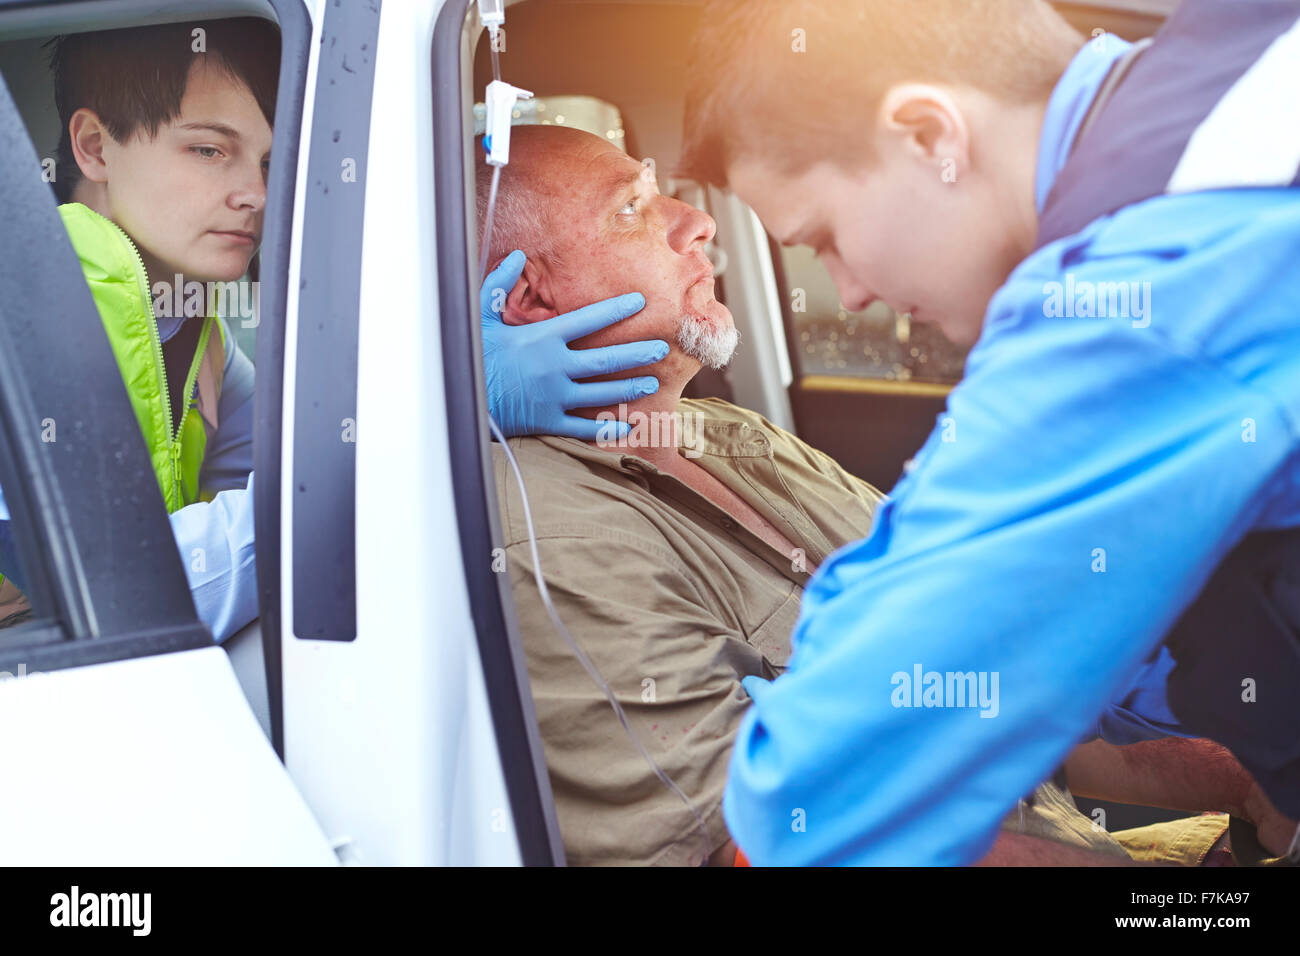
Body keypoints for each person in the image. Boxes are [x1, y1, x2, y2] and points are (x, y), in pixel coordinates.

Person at [477, 123, 1282, 867]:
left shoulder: (730, 434)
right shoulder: (552, 537)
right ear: (528, 299)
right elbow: (760, 853)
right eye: (632, 209)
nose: (696, 224)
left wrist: (1249, 778)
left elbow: (994, 695)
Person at [661, 0, 1300, 864]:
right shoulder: (1242, 58)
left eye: (826, 239)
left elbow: (821, 795)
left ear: (929, 135)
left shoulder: (1132, 298)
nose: (845, 293)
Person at [0, 18, 665, 640]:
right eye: (208, 149)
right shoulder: (19, 318)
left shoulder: (189, 330)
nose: (255, 196)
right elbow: (112, 591)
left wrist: (444, 368)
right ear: (94, 147)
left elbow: (293, 461)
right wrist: (433, 408)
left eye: (267, 163)